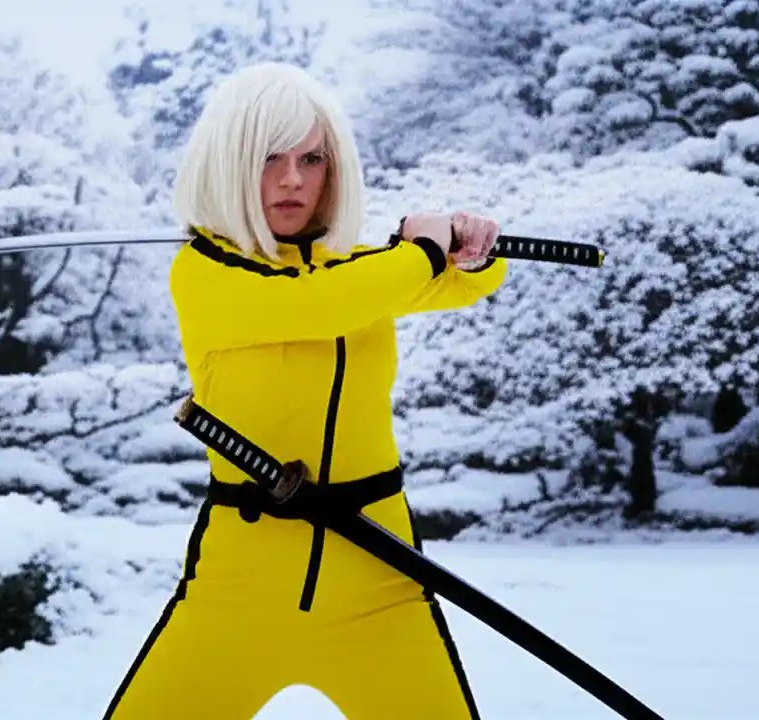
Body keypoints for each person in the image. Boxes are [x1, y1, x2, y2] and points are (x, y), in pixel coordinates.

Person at [102, 61, 506, 720]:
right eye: (267, 157)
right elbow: (317, 306)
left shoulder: (360, 271)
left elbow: (458, 284)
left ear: (334, 168)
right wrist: (418, 256)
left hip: (378, 581)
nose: (292, 179)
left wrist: (474, 249)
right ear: (228, 164)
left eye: (311, 157)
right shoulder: (203, 273)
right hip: (240, 589)